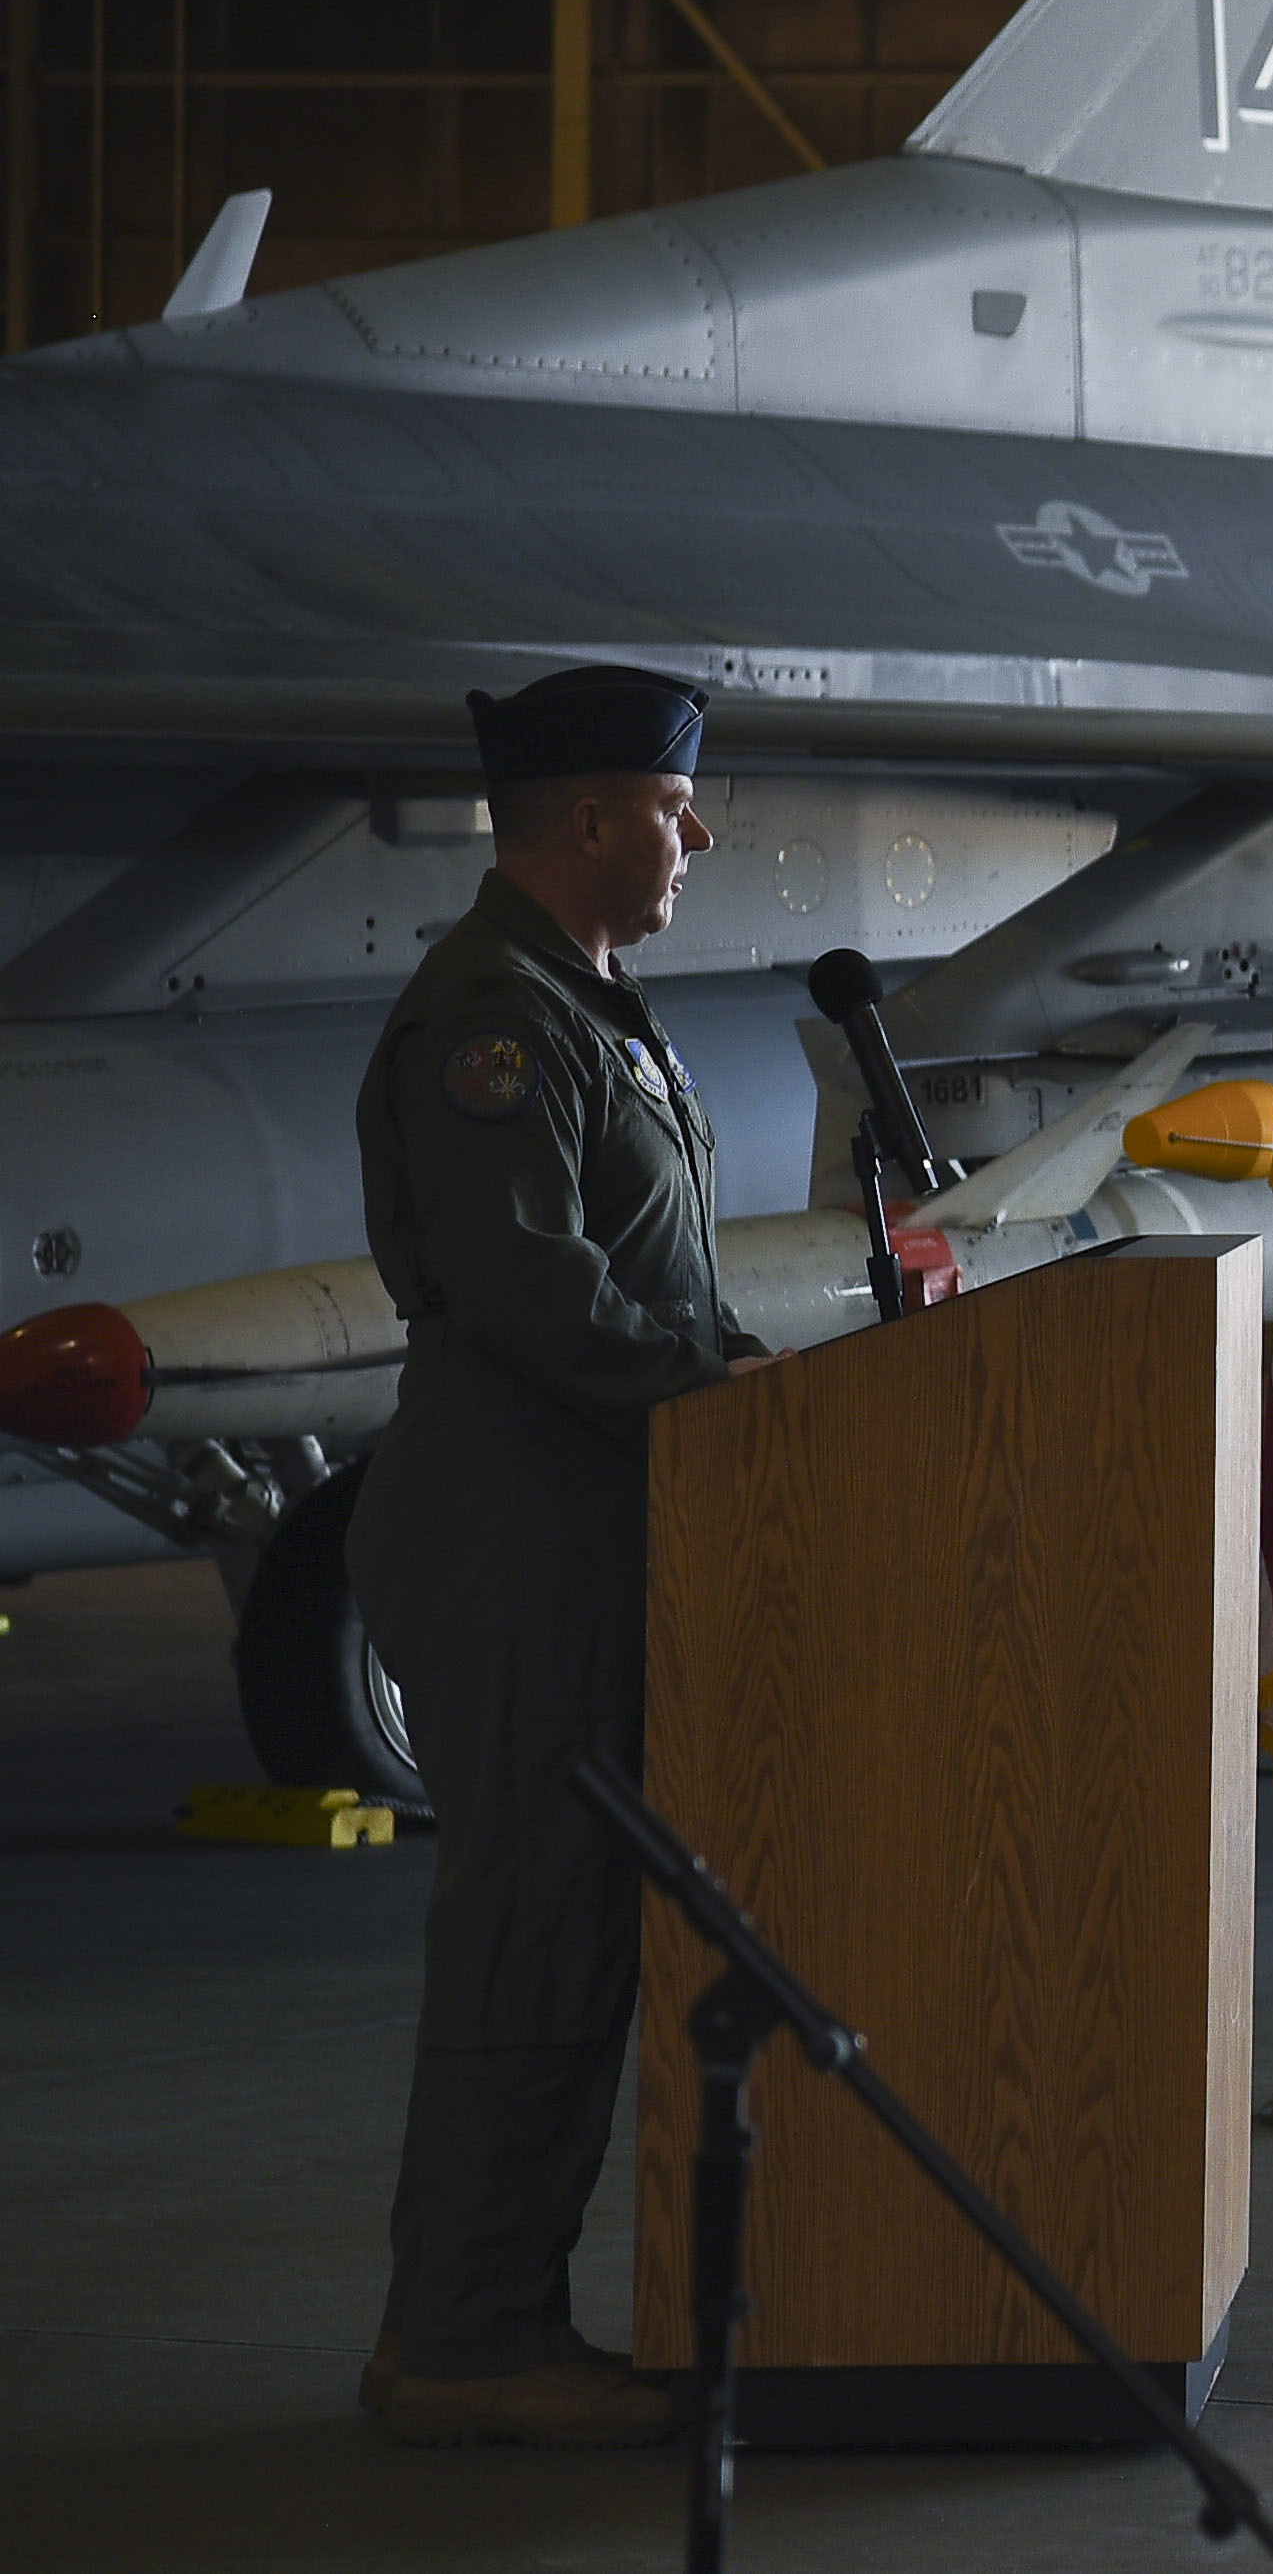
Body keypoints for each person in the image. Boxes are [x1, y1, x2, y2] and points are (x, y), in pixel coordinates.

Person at [346, 668, 775, 2447]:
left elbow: (655, 1276)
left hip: (599, 1499)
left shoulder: (595, 1006)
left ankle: (497, 2311)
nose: (697, 839)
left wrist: (742, 1376)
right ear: (590, 819)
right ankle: (462, 2337)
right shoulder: (492, 1020)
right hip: (516, 1509)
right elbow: (541, 1302)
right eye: (677, 813)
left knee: (579, 1924)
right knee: (532, 1925)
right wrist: (732, 1402)